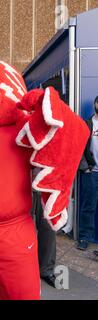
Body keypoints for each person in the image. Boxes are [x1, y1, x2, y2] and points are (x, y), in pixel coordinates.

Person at [77, 96, 98, 251]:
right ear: (95, 104)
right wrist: (85, 168)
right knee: (88, 207)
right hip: (91, 172)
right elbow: (79, 149)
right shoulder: (87, 124)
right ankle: (85, 237)